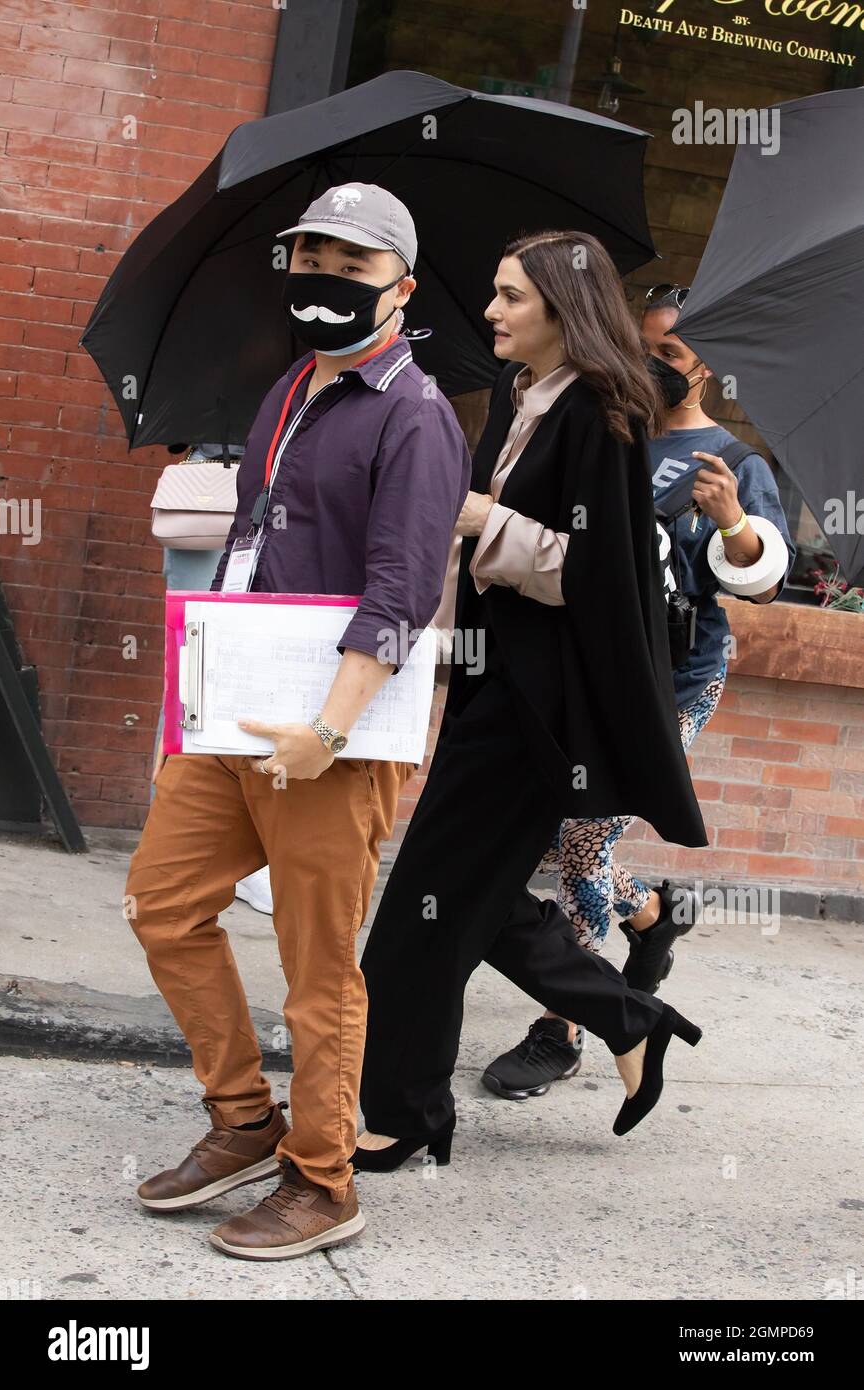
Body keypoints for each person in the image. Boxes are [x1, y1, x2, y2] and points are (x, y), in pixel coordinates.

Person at [125, 183, 472, 1258]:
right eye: (308, 260)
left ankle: (322, 1179)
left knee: (317, 968)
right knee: (163, 905)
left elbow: (401, 591)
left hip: (328, 737)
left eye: (350, 266)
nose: (322, 282)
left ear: (400, 289)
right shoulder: (289, 389)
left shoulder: (415, 417)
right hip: (232, 714)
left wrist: (324, 732)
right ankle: (241, 1117)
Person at [353, 231, 707, 1173]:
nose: (494, 312)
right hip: (491, 688)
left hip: (536, 711)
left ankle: (400, 1115)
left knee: (416, 918)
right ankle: (631, 1017)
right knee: (481, 897)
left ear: (561, 307)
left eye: (512, 297)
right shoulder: (524, 399)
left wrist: (484, 520)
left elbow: (605, 574)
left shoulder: (602, 410)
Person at [482, 282, 795, 1102]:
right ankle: (652, 915)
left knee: (582, 842)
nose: (650, 364)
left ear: (705, 368)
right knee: (557, 842)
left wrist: (730, 518)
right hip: (586, 675)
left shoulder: (736, 462)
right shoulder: (604, 430)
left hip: (674, 681)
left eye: (669, 354)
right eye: (643, 346)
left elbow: (761, 582)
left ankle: (564, 1028)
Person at [150, 444, 273, 915]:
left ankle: (239, 852)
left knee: (244, 669)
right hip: (213, 507)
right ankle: (172, 831)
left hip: (267, 518)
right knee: (191, 667)